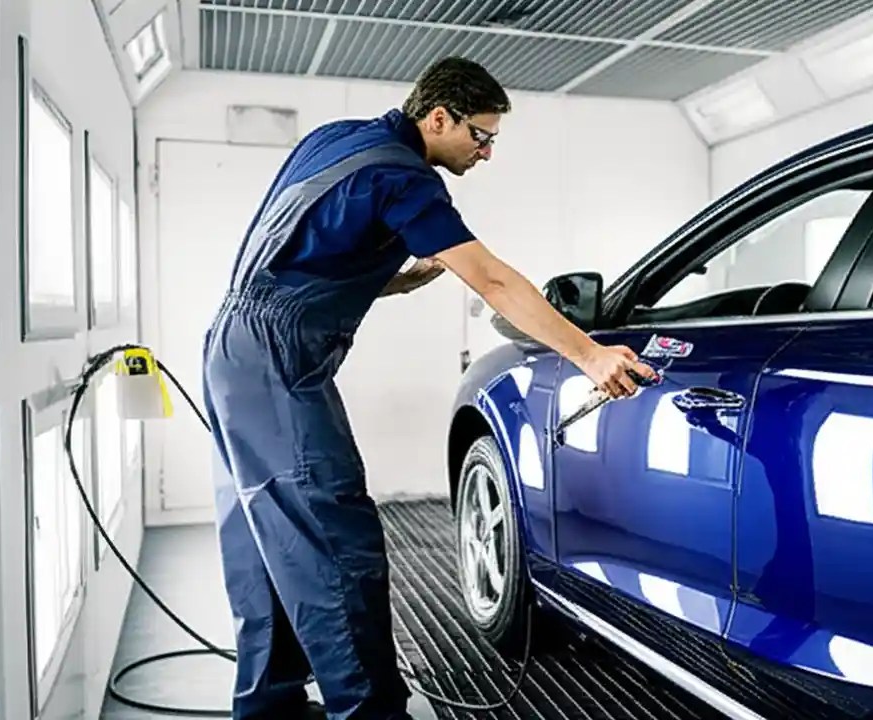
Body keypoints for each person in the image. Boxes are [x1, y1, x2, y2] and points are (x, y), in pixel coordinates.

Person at [201, 56, 655, 720]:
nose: (487, 151)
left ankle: (267, 704)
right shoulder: (406, 178)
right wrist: (588, 355)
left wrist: (387, 279)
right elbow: (492, 280)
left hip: (230, 345)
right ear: (437, 118)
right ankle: (371, 712)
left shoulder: (337, 138)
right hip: (275, 360)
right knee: (335, 540)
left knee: (263, 535)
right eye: (480, 135)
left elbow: (298, 253)